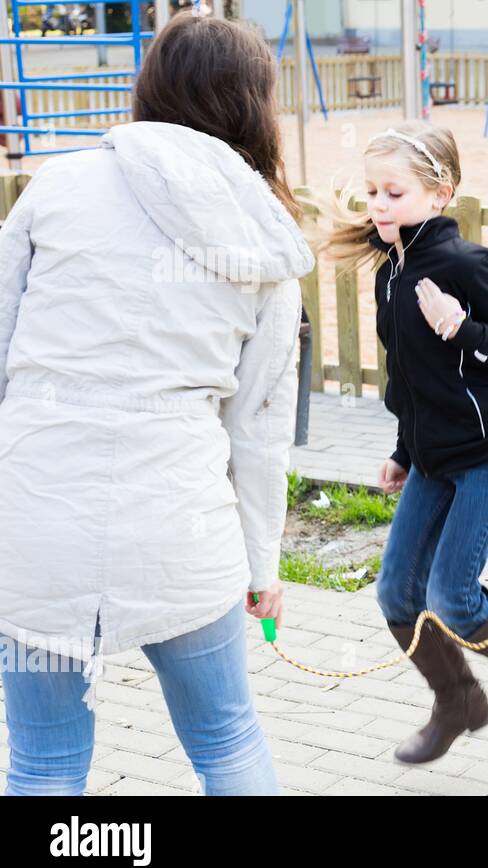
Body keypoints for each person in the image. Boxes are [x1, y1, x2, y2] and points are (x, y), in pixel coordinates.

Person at [0, 14, 311, 794]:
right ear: (254, 102)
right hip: (180, 526)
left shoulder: (59, 184)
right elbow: (259, 428)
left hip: (35, 520)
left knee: (41, 760)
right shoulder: (265, 235)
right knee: (228, 738)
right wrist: (261, 562)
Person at [320, 121, 488, 763]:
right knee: (396, 594)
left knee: (453, 597)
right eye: (373, 192)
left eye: (395, 193)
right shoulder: (391, 269)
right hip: (434, 459)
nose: (378, 205)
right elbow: (412, 379)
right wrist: (405, 452)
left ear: (441, 193)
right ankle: (458, 700)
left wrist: (462, 327)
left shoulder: (467, 264)